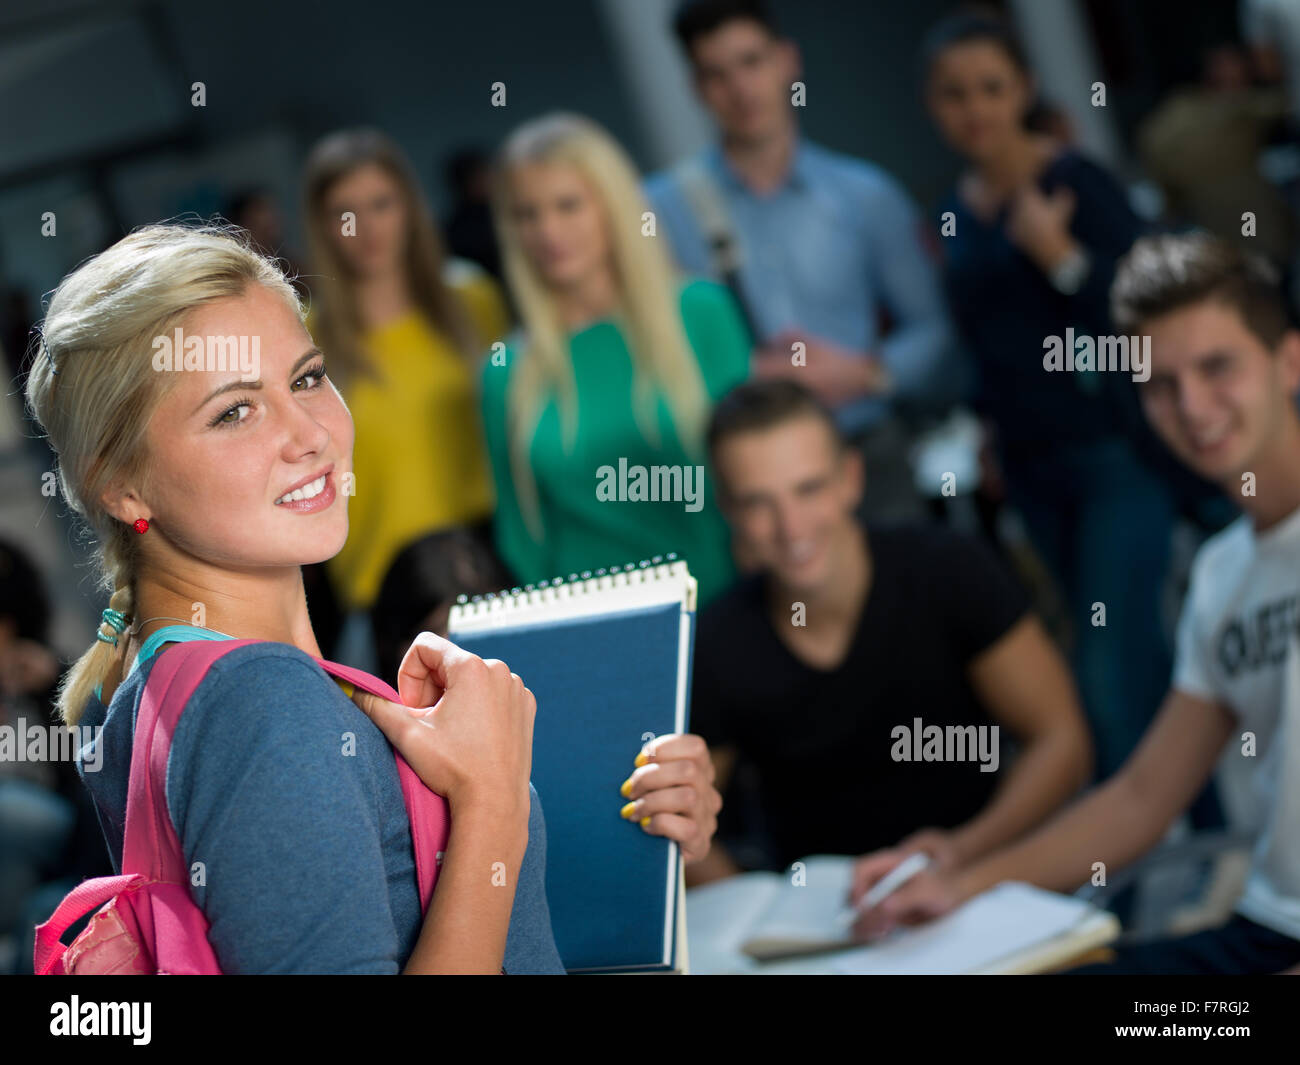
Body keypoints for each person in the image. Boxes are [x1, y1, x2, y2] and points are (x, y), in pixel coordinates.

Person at [23, 222, 721, 974]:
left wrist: (630, 838)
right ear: (121, 485)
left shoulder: (163, 690)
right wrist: (492, 803)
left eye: (307, 377)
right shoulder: (264, 700)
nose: (310, 434)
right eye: (234, 411)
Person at [849, 233, 1300, 975]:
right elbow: (1142, 796)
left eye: (1218, 367)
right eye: (1159, 383)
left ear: (1288, 361)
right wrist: (959, 877)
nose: (1191, 406)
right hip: (1267, 931)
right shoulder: (1224, 576)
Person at [688, 379, 1093, 884]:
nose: (791, 527)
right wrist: (760, 930)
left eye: (808, 489)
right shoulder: (717, 641)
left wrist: (960, 855)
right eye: (757, 503)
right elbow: (681, 816)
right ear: (728, 511)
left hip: (987, 883)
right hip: (828, 934)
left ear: (851, 479)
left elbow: (1062, 741)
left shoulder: (947, 569)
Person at [922, 9, 1185, 779]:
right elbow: (982, 339)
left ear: (1024, 88)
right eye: (954, 94)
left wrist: (1062, 255)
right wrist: (985, 429)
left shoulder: (1075, 180)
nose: (975, 109)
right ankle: (1204, 836)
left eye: (991, 88)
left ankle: (1123, 864)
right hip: (1030, 469)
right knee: (1137, 654)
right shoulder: (953, 209)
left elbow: (1153, 304)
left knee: (1104, 670)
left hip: (1111, 455)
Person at [645, 0, 957, 523]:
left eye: (752, 62)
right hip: (744, 476)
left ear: (789, 61)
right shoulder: (658, 212)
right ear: (696, 89)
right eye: (717, 75)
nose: (742, 90)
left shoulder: (866, 195)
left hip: (866, 453)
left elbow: (938, 331)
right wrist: (740, 373)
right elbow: (648, 351)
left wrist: (865, 373)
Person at [481, 112, 750, 608]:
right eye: (527, 214)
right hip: (589, 630)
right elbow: (520, 538)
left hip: (725, 607)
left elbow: (755, 476)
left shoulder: (701, 314)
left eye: (568, 205)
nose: (548, 231)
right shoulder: (504, 371)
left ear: (614, 207)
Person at [302, 129, 507, 621]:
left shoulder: (472, 302)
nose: (367, 227)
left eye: (382, 204)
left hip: (489, 568)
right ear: (324, 226)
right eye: (344, 214)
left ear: (410, 208)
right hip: (381, 597)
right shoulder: (303, 339)